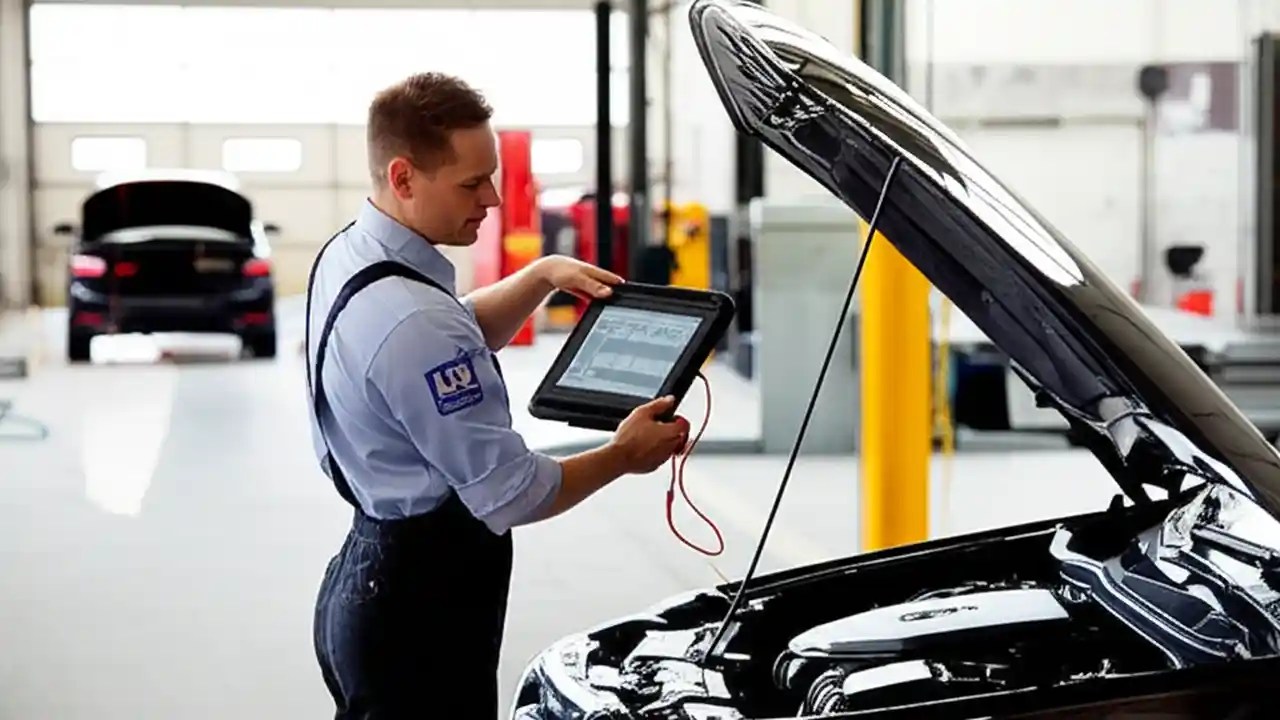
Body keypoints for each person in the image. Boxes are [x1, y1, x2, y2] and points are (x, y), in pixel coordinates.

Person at [305, 72, 691, 718]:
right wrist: (624, 454)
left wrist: (540, 276)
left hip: (365, 578)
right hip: (418, 620)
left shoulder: (353, 255)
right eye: (471, 182)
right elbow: (514, 491)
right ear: (403, 178)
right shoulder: (413, 325)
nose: (492, 198)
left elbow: (456, 326)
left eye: (492, 176)